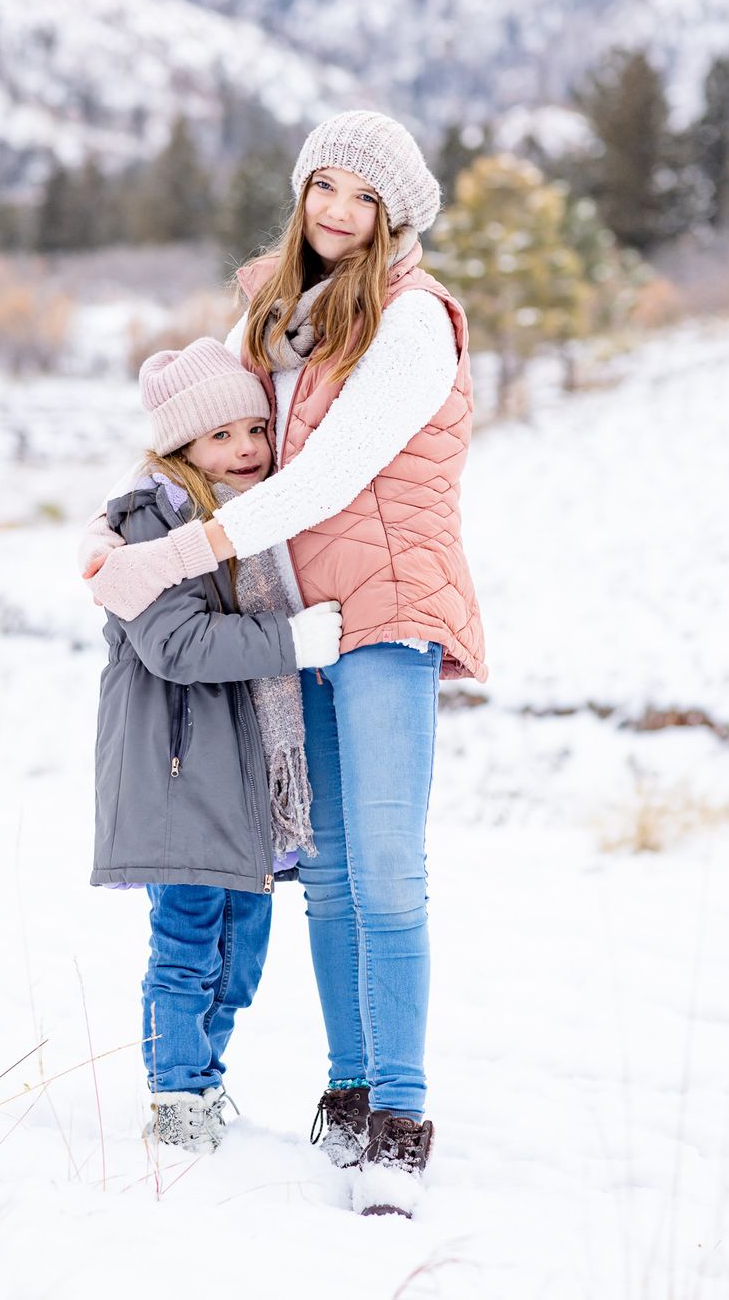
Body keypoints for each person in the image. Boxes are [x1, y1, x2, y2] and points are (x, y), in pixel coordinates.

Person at [81, 110, 487, 1218]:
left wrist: (178, 551)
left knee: (390, 870)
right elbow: (200, 419)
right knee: (335, 871)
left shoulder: (413, 322)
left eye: (363, 197)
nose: (339, 213)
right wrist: (132, 530)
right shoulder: (279, 310)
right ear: (302, 193)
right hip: (298, 619)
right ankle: (348, 1091)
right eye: (324, 188)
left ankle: (398, 1115)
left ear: (395, 212)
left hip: (385, 610)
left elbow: (324, 477)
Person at [90, 337, 341, 1156]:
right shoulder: (153, 519)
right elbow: (179, 645)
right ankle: (178, 1094)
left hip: (248, 773)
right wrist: (291, 641)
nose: (243, 450)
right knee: (188, 942)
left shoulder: (261, 517)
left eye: (252, 431)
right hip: (182, 766)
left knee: (243, 955)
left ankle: (205, 1074)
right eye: (220, 437)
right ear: (181, 447)